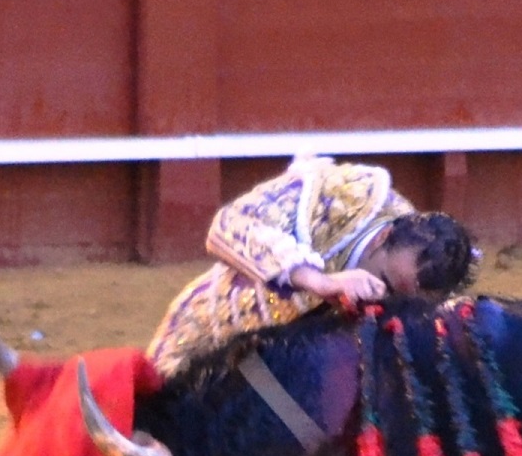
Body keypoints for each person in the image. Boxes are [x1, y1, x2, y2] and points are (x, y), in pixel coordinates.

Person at [146, 154, 478, 377]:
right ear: (382, 237)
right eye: (385, 282)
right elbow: (231, 224)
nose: (379, 298)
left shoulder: (414, 261)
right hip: (209, 336)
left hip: (286, 382)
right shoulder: (341, 195)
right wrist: (320, 282)